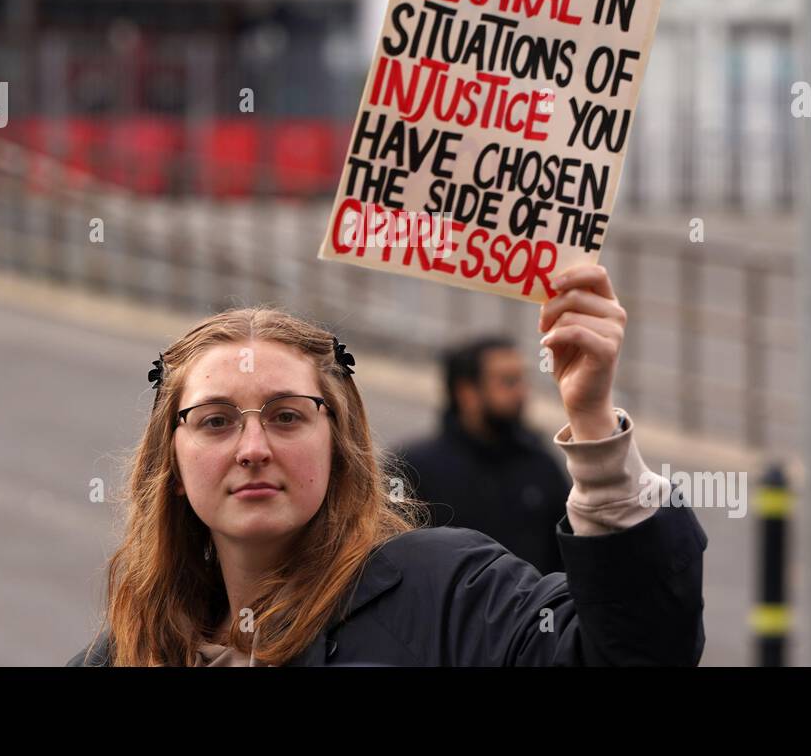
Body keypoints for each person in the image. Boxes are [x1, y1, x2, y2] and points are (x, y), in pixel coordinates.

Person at [66, 263, 706, 666]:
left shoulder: (446, 595)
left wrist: (593, 421)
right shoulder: (125, 652)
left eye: (288, 416)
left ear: (338, 445)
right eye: (216, 421)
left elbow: (636, 652)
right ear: (171, 464)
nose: (253, 447)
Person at [398, 337, 571, 574]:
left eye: (522, 380)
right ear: (466, 392)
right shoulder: (414, 467)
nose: (521, 392)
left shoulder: (541, 466)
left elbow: (569, 557)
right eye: (508, 382)